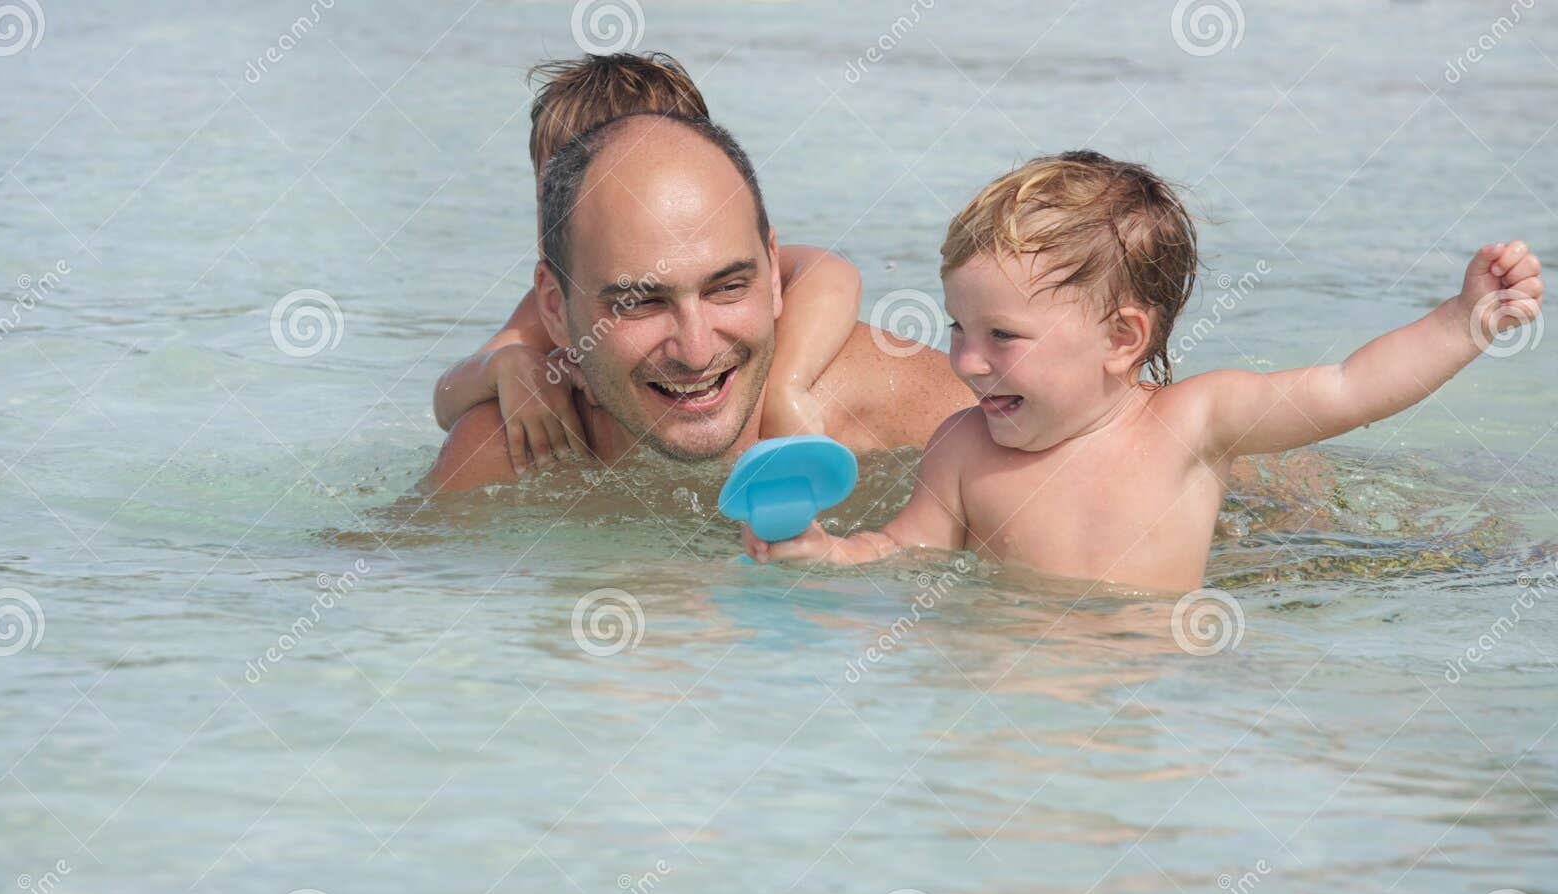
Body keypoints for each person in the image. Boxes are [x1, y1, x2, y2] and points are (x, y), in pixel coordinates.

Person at [742, 151, 1544, 592]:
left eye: (1002, 335)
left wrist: (1461, 321)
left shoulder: (1194, 424)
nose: (966, 361)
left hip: (1155, 694)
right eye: (957, 327)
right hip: (1004, 704)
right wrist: (827, 555)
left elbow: (1352, 388)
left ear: (1122, 339)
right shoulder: (962, 450)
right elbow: (901, 549)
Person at [424, 112, 972, 491]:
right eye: (640, 302)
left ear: (776, 271)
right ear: (554, 308)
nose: (695, 350)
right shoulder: (516, 450)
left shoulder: (922, 418)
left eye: (728, 288)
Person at [431, 53, 862, 474]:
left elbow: (833, 276)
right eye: (557, 186)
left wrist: (788, 385)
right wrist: (507, 367)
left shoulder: (735, 266)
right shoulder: (546, 307)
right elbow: (446, 400)